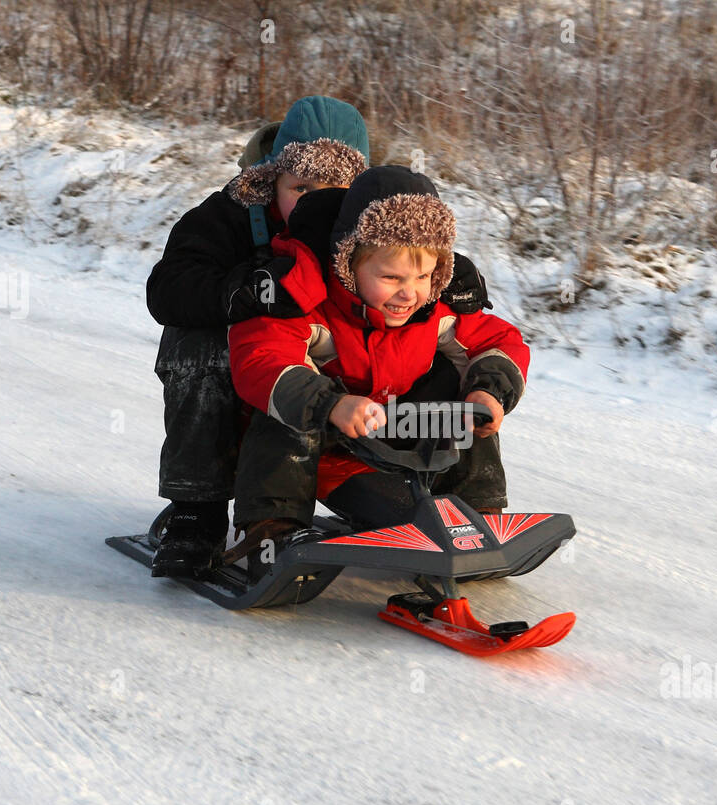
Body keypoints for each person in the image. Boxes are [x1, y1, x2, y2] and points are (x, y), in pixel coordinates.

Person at [145, 97, 495, 578]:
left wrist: (446, 278)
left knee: (428, 345)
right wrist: (249, 291)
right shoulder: (228, 215)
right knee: (200, 348)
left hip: (338, 366)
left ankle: (447, 507)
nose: (316, 200)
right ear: (272, 181)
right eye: (302, 187)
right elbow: (167, 291)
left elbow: (407, 261)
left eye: (336, 188)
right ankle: (197, 511)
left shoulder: (361, 231)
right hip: (253, 363)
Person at [222, 166, 528, 574]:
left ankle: (478, 514)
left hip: (396, 445)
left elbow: (498, 341)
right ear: (349, 263)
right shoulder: (305, 301)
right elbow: (263, 356)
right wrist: (331, 405)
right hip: (326, 452)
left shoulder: (435, 310)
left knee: (470, 408)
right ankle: (270, 530)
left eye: (423, 276)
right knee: (286, 412)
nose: (409, 292)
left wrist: (490, 390)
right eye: (390, 277)